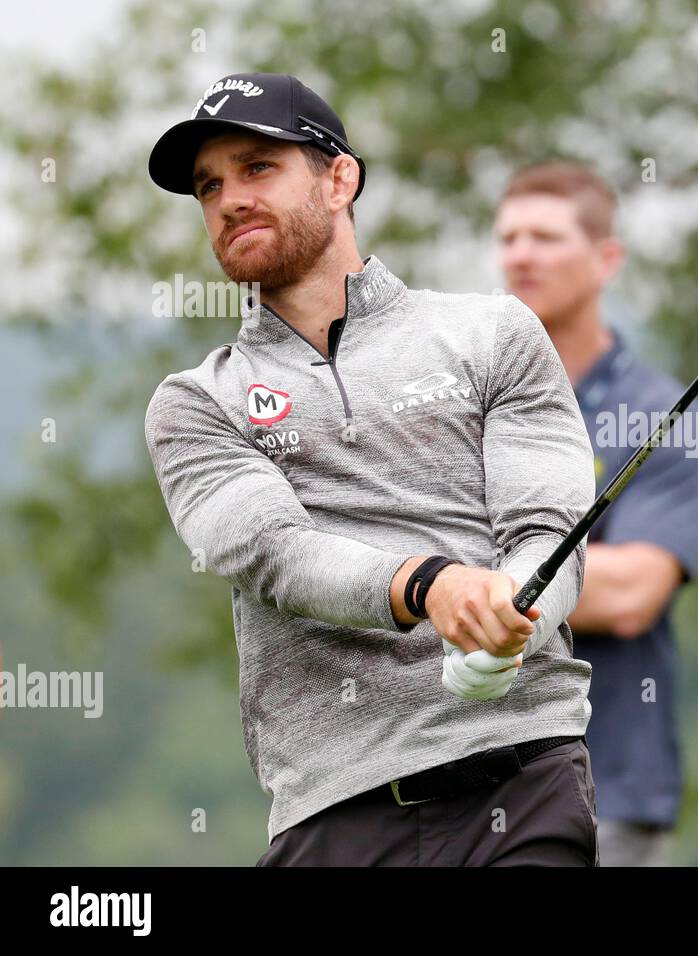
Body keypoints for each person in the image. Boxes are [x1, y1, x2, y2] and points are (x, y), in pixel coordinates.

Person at [143, 72, 598, 866]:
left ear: (339, 177)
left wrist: (517, 606)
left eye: (258, 168)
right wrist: (436, 587)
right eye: (208, 186)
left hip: (522, 777)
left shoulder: (492, 332)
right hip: (337, 812)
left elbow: (549, 530)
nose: (228, 200)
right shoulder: (194, 404)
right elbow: (279, 555)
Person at [495, 162, 698, 866]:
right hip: (472, 778)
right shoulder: (472, 403)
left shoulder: (662, 413)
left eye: (546, 237)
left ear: (606, 258)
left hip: (608, 787)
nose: (522, 254)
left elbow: (631, 594)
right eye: (510, 238)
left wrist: (460, 583)